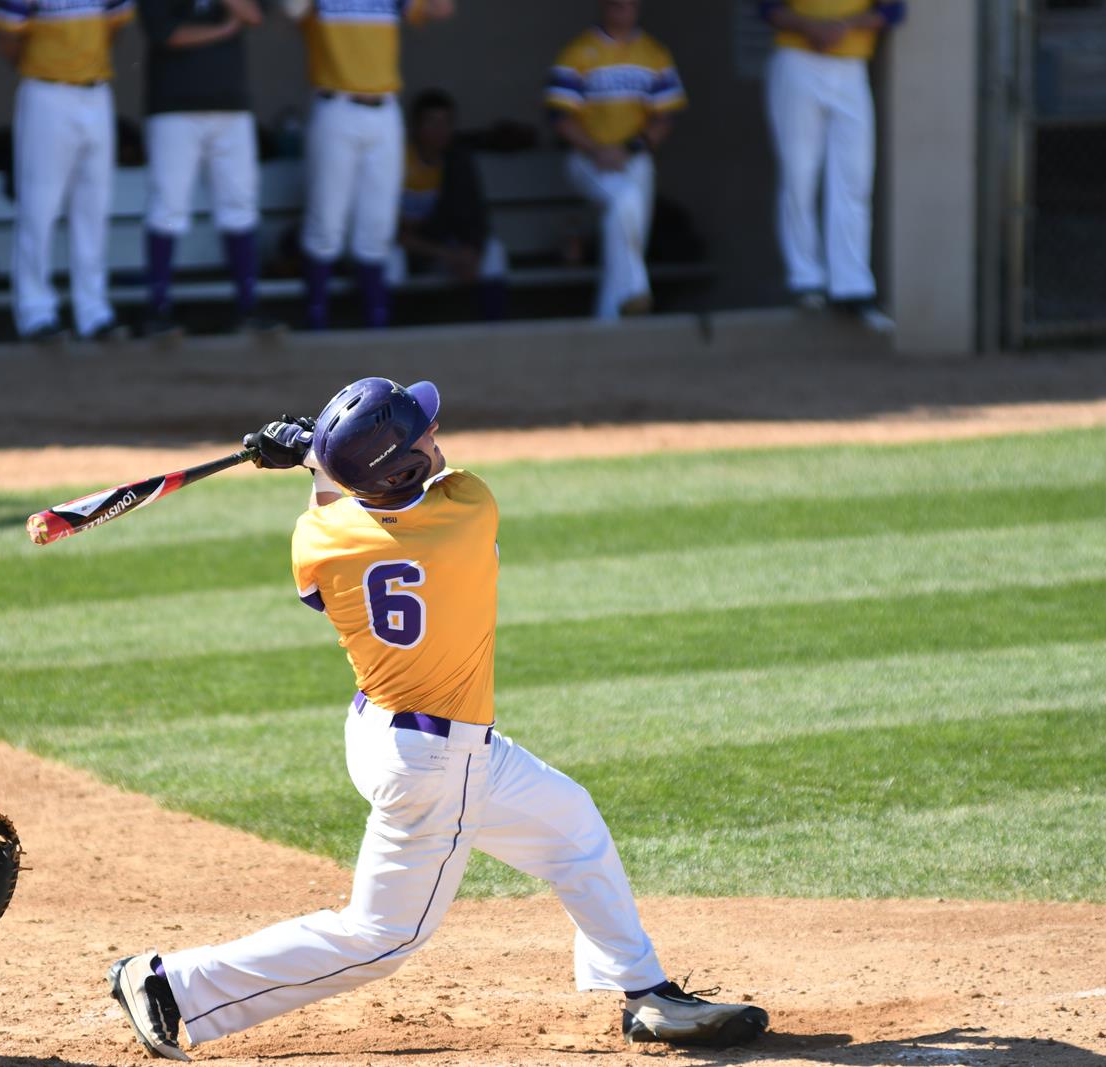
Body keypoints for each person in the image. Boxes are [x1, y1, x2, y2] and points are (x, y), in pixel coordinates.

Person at [106, 377, 770, 1060]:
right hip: (435, 762)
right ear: (406, 463)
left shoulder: (318, 542)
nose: (434, 431)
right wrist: (311, 448)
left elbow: (340, 501)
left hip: (379, 731)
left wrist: (316, 457)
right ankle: (170, 984)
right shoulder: (471, 509)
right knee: (382, 937)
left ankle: (645, 991)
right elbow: (390, 478)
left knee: (570, 822)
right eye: (422, 430)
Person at [284, 0, 455, 331]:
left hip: (385, 107)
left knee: (377, 222)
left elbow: (441, 9)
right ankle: (316, 321)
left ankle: (376, 324)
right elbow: (291, 12)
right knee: (326, 221)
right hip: (336, 104)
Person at [0, 0, 132, 346]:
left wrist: (81, 63)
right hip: (47, 91)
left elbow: (115, 24)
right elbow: (7, 39)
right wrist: (48, 66)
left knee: (94, 206)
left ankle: (93, 310)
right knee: (39, 208)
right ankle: (35, 311)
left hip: (96, 90)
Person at [760, 1, 905, 332]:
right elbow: (766, 7)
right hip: (797, 59)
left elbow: (894, 10)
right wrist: (809, 27)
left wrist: (845, 26)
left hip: (850, 63)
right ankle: (805, 279)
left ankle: (851, 285)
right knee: (799, 173)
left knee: (854, 178)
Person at [138, 0, 279, 340]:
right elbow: (167, 34)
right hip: (173, 106)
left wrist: (230, 19)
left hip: (231, 106)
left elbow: (254, 14)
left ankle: (248, 307)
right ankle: (158, 310)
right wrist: (222, 29)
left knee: (240, 204)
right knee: (168, 205)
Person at [546, 0, 685, 322]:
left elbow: (665, 116)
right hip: (586, 159)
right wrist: (597, 150)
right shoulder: (579, 51)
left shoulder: (654, 53)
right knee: (625, 201)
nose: (622, 7)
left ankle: (609, 318)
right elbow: (559, 116)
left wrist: (632, 148)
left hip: (634, 158)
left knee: (625, 234)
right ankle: (636, 291)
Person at [385, 89, 507, 322]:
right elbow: (394, 234)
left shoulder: (458, 161)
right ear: (416, 127)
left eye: (446, 123)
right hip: (411, 252)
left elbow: (476, 215)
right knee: (391, 259)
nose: (440, 131)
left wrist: (472, 251)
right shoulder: (396, 160)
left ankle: (494, 335)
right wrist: (447, 254)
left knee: (493, 252)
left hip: (442, 249)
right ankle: (394, 337)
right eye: (432, 122)